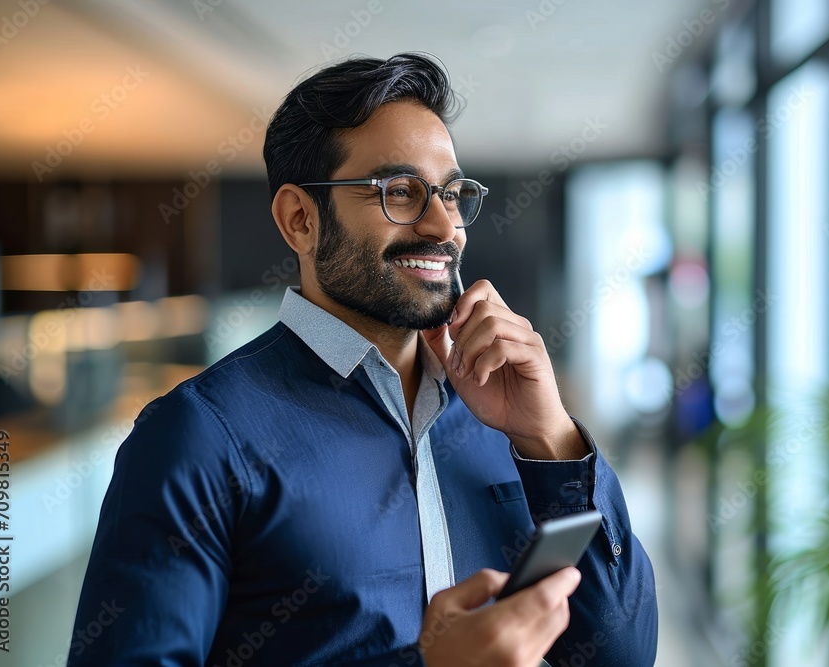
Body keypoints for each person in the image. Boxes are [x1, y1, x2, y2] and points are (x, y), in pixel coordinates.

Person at [68, 52, 658, 666]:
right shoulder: (199, 436)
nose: (443, 226)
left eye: (452, 194)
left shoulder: (509, 421)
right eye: (399, 192)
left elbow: (620, 657)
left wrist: (551, 438)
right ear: (300, 220)